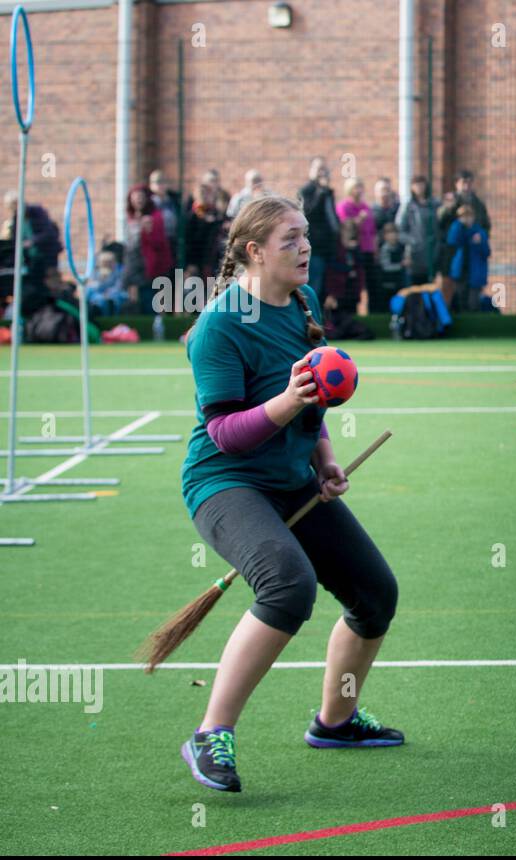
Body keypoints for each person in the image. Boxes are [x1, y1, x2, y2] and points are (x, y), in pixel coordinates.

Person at [179, 194, 401, 793]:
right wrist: (290, 402)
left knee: (375, 594)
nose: (305, 248)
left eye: (306, 236)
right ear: (254, 252)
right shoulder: (220, 326)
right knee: (288, 583)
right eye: (290, 240)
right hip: (225, 483)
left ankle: (336, 721)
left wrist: (325, 459)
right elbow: (225, 434)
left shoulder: (302, 303)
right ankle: (211, 734)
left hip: (292, 479)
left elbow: (313, 405)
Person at [124, 184, 175, 314]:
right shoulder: (129, 218)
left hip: (151, 266)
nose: (138, 200)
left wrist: (148, 230)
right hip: (134, 263)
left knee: (151, 302)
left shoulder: (155, 217)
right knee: (134, 301)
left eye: (141, 197)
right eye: (135, 197)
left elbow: (159, 242)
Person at [299, 157, 339, 301]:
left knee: (323, 288)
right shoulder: (306, 190)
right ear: (311, 171)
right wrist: (321, 192)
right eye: (318, 169)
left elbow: (332, 217)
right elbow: (308, 213)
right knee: (312, 287)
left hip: (327, 248)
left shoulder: (328, 192)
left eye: (324, 169)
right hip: (313, 245)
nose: (322, 173)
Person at [337, 178, 376, 312]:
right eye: (355, 187)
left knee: (370, 281)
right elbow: (347, 227)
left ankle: (372, 311)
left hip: (368, 248)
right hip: (352, 249)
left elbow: (373, 230)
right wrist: (360, 219)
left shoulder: (366, 206)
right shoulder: (344, 206)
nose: (359, 190)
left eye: (360, 186)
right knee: (352, 282)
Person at [445, 204, 490, 311]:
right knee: (461, 300)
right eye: (463, 217)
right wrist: (459, 225)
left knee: (473, 302)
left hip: (475, 272)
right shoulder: (458, 230)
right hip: (461, 271)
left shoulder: (479, 232)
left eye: (469, 216)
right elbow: (452, 240)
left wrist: (479, 243)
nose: (466, 219)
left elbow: (487, 252)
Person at [397, 175, 438, 286]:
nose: (419, 187)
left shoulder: (434, 204)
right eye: (416, 184)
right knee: (414, 289)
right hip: (414, 256)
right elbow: (400, 230)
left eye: (421, 184)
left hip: (431, 254)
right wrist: (413, 241)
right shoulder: (408, 206)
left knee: (429, 289)